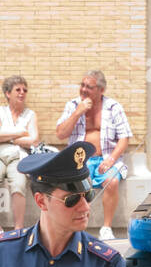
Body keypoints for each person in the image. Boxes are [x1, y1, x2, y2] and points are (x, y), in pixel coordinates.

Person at [55, 70, 131, 241]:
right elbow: (60, 133)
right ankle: (74, 228)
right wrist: (77, 113)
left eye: (89, 87)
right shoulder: (73, 105)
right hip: (80, 159)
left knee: (111, 182)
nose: (83, 90)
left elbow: (124, 138)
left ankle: (106, 228)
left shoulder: (113, 107)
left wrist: (111, 159)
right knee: (75, 186)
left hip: (107, 158)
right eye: (82, 85)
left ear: (101, 90)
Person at [0, 75, 39, 236]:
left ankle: (17, 231)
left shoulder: (30, 115)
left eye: (24, 90)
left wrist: (5, 136)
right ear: (8, 93)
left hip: (17, 157)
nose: (22, 93)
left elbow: (33, 140)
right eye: (18, 90)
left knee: (19, 186)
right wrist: (19, 134)